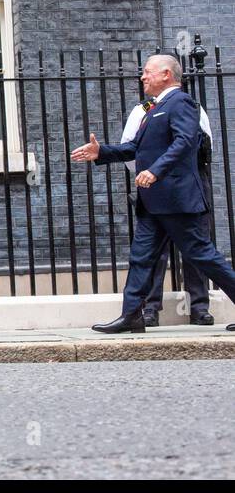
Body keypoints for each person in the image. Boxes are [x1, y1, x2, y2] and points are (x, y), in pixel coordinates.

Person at [71, 54, 235, 333]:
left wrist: (155, 171)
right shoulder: (155, 108)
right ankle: (131, 314)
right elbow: (136, 147)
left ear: (166, 75)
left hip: (177, 200)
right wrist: (102, 152)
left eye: (148, 72)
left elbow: (185, 142)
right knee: (141, 257)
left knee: (203, 256)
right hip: (153, 202)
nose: (143, 77)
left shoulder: (181, 102)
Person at [120, 93, 216, 326]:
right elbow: (130, 149)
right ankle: (150, 308)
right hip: (154, 184)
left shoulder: (192, 107)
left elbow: (204, 145)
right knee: (153, 252)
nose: (145, 78)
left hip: (187, 185)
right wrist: (148, 173)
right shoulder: (141, 111)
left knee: (197, 249)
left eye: (149, 73)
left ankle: (199, 306)